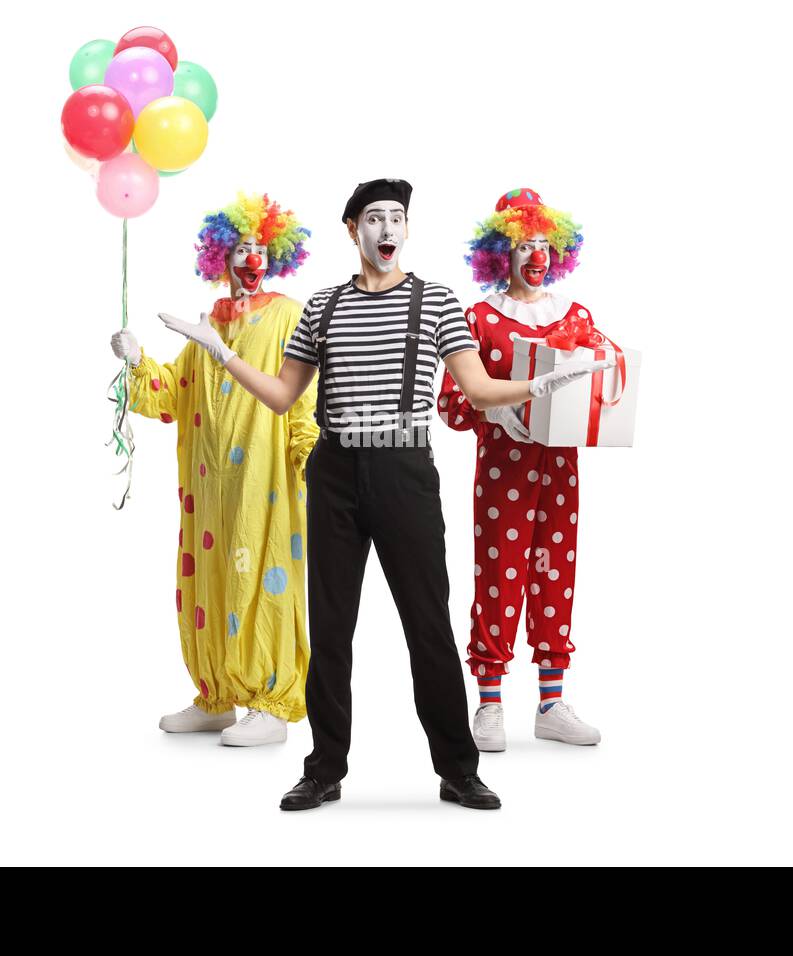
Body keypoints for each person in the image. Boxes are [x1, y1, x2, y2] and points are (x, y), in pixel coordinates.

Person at [157, 178, 609, 808]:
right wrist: (219, 353)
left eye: (397, 217)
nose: (387, 228)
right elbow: (286, 396)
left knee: (428, 623)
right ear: (353, 230)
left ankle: (458, 768)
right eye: (375, 218)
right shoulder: (322, 307)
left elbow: (477, 390)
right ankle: (323, 769)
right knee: (332, 626)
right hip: (335, 471)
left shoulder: (438, 303)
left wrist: (543, 385)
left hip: (405, 470)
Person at [110, 192, 317, 747]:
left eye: (260, 250)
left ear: (275, 257)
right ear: (221, 259)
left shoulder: (288, 316)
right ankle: (216, 695)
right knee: (208, 579)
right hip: (207, 490)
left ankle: (270, 702)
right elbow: (176, 395)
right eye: (241, 249)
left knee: (264, 575)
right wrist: (136, 360)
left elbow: (303, 396)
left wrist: (308, 456)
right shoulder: (210, 324)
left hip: (265, 483)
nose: (252, 260)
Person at [438, 188, 603, 751]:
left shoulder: (576, 317)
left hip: (561, 471)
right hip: (503, 474)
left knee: (556, 573)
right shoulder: (479, 318)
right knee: (499, 577)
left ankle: (552, 702)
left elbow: (604, 386)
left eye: (545, 244)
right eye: (524, 245)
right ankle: (488, 704)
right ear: (499, 254)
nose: (537, 255)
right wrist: (495, 410)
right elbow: (451, 404)